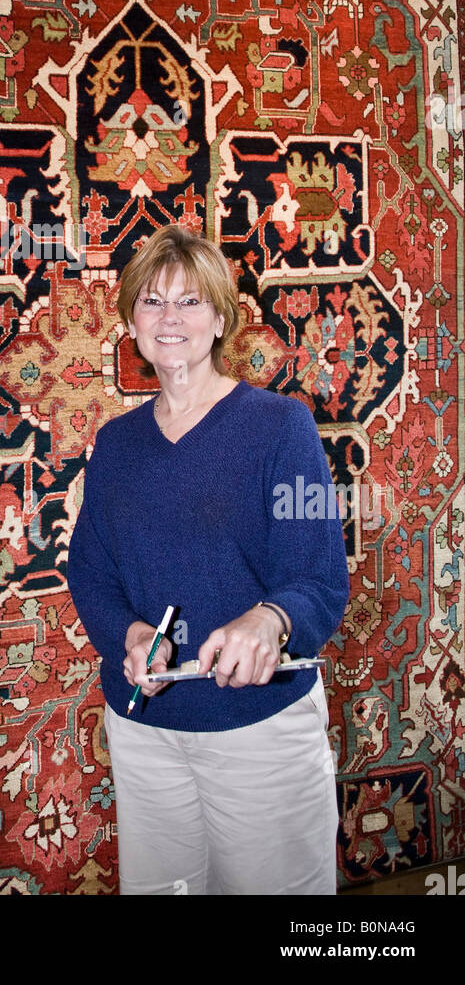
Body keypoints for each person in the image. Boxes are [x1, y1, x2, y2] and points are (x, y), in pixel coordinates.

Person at [67, 224, 350, 895]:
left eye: (190, 302)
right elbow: (91, 572)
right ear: (130, 318)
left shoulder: (282, 427)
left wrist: (270, 619)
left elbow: (319, 576)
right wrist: (131, 636)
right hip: (143, 729)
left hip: (257, 727)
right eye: (152, 301)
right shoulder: (115, 444)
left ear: (221, 317)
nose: (169, 319)